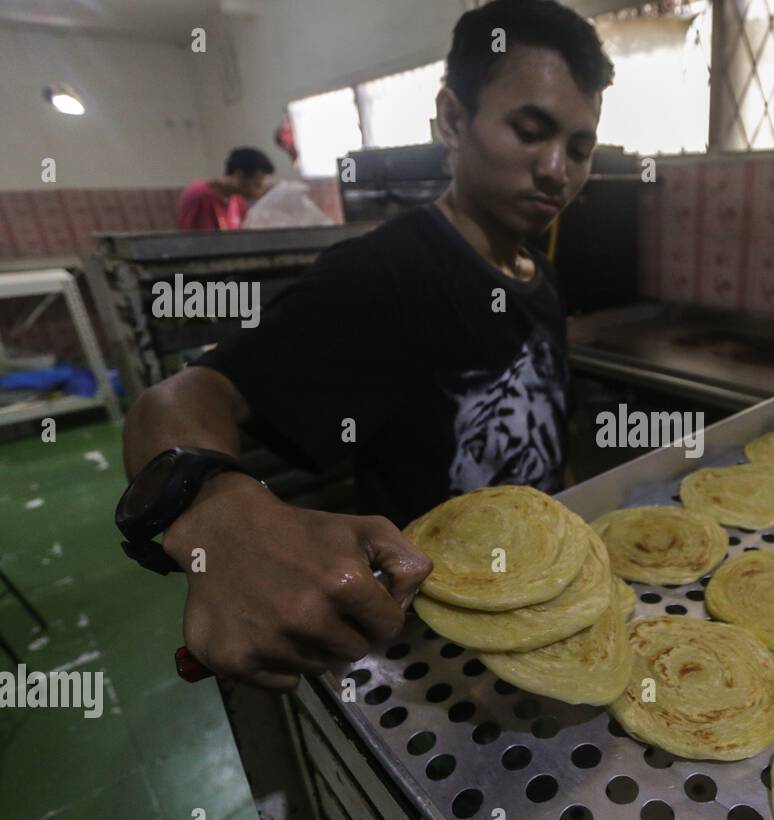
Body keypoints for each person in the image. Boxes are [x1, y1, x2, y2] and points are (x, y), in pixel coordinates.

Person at [119, 0, 614, 690]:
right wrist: (218, 519)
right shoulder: (384, 276)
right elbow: (177, 398)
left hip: (541, 609)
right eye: (529, 131)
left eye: (581, 149)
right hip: (434, 640)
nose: (557, 169)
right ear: (451, 118)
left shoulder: (539, 274)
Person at [176, 147, 275, 230]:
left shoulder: (238, 201)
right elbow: (191, 238)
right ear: (239, 176)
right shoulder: (199, 195)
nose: (260, 191)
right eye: (257, 185)